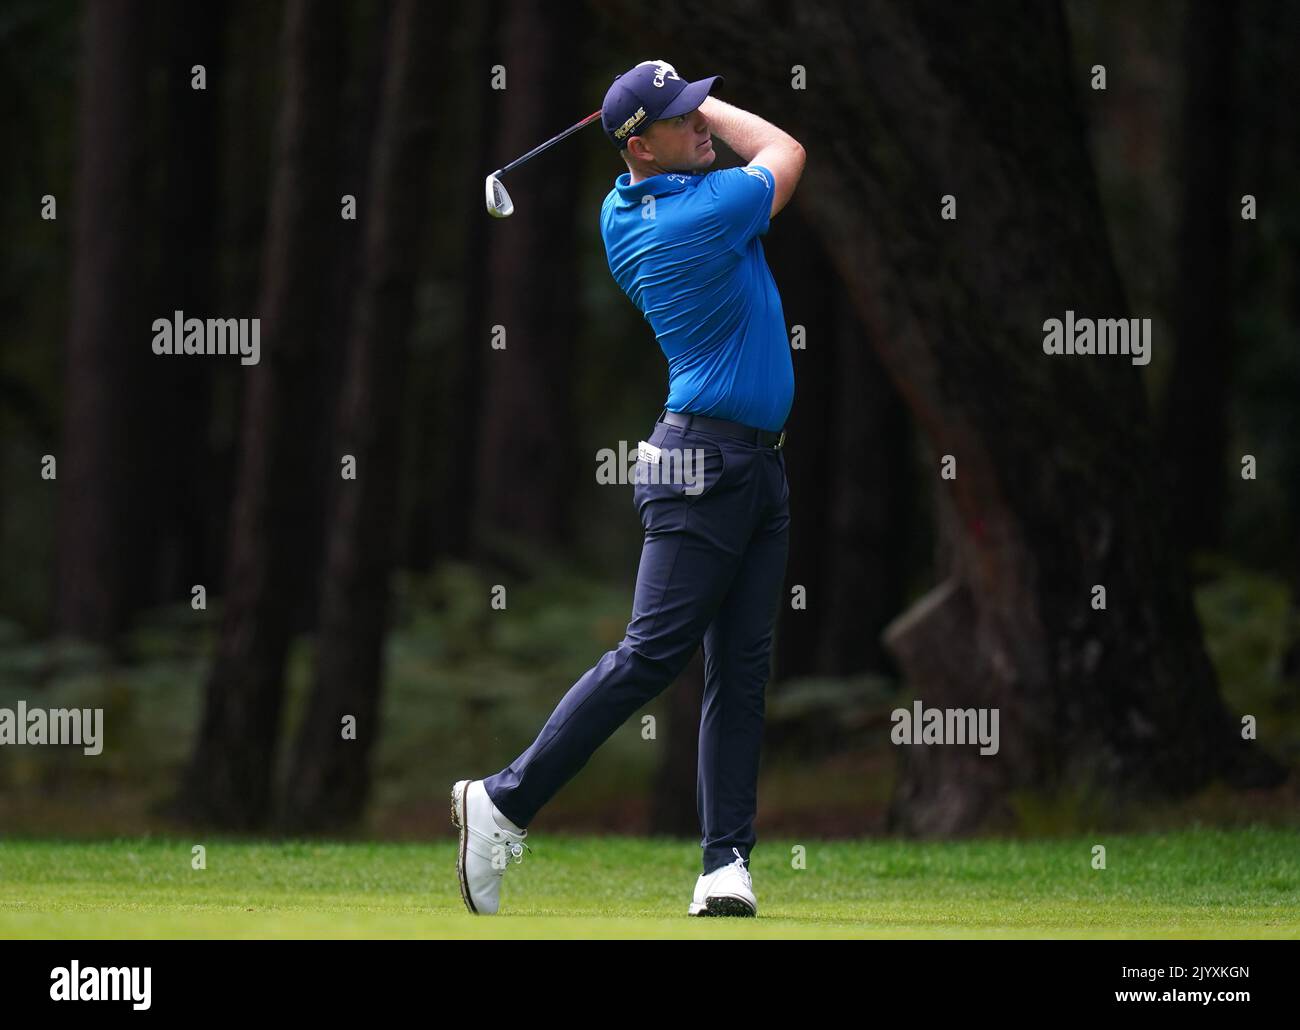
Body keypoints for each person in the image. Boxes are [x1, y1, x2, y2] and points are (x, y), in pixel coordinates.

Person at [452, 59, 805, 917]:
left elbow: (689, 157)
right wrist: (709, 102)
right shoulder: (702, 216)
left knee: (741, 672)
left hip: (753, 465)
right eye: (686, 120)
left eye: (701, 112)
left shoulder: (626, 208)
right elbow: (786, 148)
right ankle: (501, 801)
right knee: (650, 655)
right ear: (640, 146)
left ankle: (726, 865)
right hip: (705, 464)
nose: (705, 128)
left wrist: (666, 107)